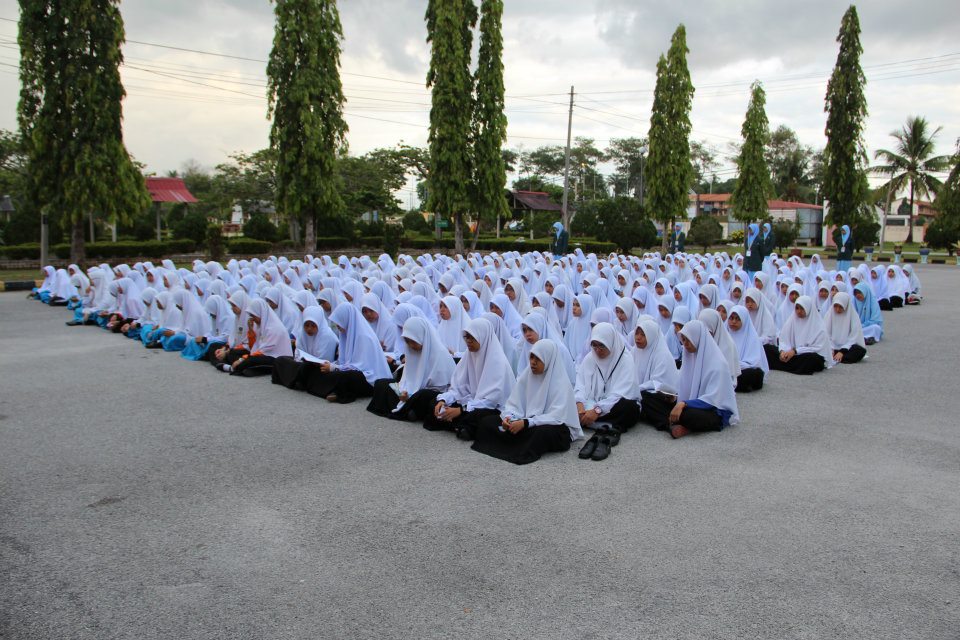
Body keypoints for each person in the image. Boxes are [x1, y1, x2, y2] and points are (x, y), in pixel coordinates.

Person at [472, 340, 582, 465]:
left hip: (552, 426)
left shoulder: (561, 383)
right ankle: (514, 440)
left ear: (548, 359)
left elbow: (557, 417)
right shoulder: (527, 376)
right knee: (488, 422)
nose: (533, 362)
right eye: (531, 357)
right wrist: (509, 418)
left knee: (541, 433)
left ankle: (514, 443)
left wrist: (526, 423)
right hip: (526, 422)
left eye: (538, 358)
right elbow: (514, 404)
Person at [637, 320, 739, 439]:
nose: (685, 344)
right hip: (688, 404)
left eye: (688, 340)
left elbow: (712, 399)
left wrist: (684, 403)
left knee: (688, 415)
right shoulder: (689, 357)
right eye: (683, 340)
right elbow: (684, 388)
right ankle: (671, 424)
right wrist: (673, 397)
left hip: (713, 410)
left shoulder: (718, 364)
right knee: (646, 397)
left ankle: (677, 423)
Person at [424, 318, 516, 440]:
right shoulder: (468, 356)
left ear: (482, 337)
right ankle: (457, 424)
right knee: (434, 402)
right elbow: (457, 389)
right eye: (466, 337)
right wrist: (444, 401)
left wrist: (461, 410)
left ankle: (457, 424)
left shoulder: (497, 362)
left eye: (472, 337)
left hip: (491, 408)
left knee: (480, 417)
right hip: (471, 402)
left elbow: (491, 402)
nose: (468, 341)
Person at [367, 316, 456, 421]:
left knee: (423, 395)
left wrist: (410, 394)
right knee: (381, 384)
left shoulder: (440, 354)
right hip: (411, 391)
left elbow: (442, 388)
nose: (410, 345)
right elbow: (407, 377)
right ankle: (408, 410)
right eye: (407, 341)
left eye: (413, 341)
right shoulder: (411, 350)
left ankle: (409, 409)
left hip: (429, 392)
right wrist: (403, 391)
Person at [574, 323, 640, 454]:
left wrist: (597, 410)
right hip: (591, 403)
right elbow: (579, 385)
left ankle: (588, 421)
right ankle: (600, 423)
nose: (597, 350)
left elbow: (620, 393)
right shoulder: (590, 357)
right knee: (568, 404)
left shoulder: (625, 359)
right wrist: (579, 403)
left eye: (602, 345)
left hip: (615, 405)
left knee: (629, 407)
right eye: (594, 345)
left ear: (611, 342)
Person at [304, 304, 391, 403]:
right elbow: (344, 362)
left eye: (339, 323)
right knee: (319, 370)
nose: (337, 326)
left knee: (348, 376)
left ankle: (338, 392)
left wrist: (334, 368)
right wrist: (334, 366)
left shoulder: (364, 337)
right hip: (351, 371)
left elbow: (359, 367)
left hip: (370, 379)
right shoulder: (346, 335)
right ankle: (332, 390)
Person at [271, 306, 339, 390]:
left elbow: (325, 360)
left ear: (319, 323)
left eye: (313, 325)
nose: (309, 329)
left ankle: (297, 381)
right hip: (305, 364)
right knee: (279, 360)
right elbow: (298, 353)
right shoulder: (302, 333)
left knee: (305, 369)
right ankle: (298, 380)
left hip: (321, 369)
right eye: (306, 325)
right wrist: (301, 359)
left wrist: (309, 361)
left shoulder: (327, 336)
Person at [228, 298, 294, 376]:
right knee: (237, 355)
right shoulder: (260, 326)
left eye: (253, 316)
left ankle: (238, 368)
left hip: (277, 358)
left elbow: (262, 351)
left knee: (251, 361)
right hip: (264, 355)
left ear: (261, 313)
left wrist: (242, 359)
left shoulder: (274, 328)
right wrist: (251, 331)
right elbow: (253, 347)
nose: (252, 319)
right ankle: (243, 369)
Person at [768, 295, 833, 375]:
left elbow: (816, 348)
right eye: (797, 308)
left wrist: (795, 351)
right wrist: (783, 351)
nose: (799, 311)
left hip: (806, 355)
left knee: (812, 359)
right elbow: (783, 339)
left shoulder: (819, 327)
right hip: (793, 355)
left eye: (802, 308)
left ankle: (784, 365)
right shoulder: (792, 320)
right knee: (768, 349)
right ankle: (790, 365)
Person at [727, 305, 768, 392]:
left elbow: (754, 362)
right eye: (731, 318)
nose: (733, 322)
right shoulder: (724, 335)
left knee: (751, 374)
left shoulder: (752, 337)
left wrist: (735, 364)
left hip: (744, 369)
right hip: (728, 369)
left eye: (738, 319)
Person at [824, 292, 867, 364]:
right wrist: (831, 348)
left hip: (848, 347)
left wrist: (842, 351)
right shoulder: (829, 315)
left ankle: (839, 356)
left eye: (841, 307)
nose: (837, 309)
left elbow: (854, 336)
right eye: (835, 306)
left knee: (860, 350)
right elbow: (826, 334)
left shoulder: (853, 316)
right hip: (831, 346)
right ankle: (836, 356)